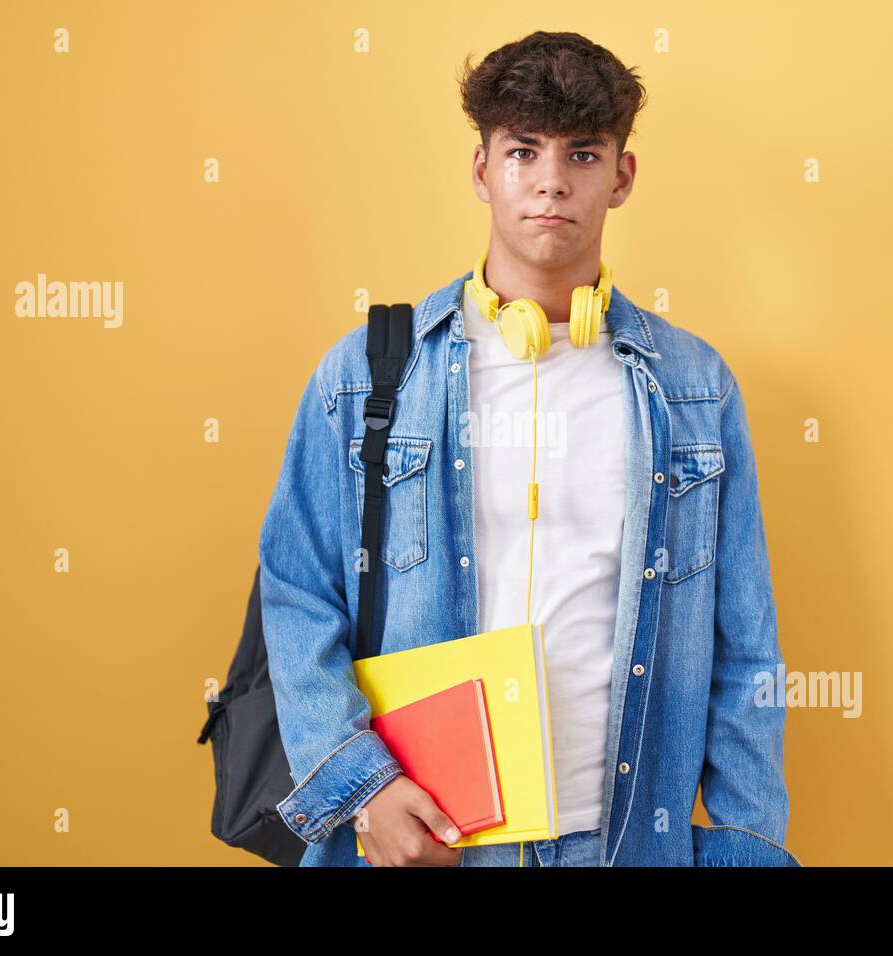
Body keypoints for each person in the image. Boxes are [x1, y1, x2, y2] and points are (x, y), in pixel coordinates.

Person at [258, 30, 798, 868]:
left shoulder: (696, 389)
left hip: (622, 845)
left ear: (621, 176)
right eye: (522, 151)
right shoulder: (367, 375)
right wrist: (361, 789)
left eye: (583, 153)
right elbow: (296, 591)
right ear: (482, 170)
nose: (551, 180)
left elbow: (746, 648)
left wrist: (746, 849)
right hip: (430, 841)